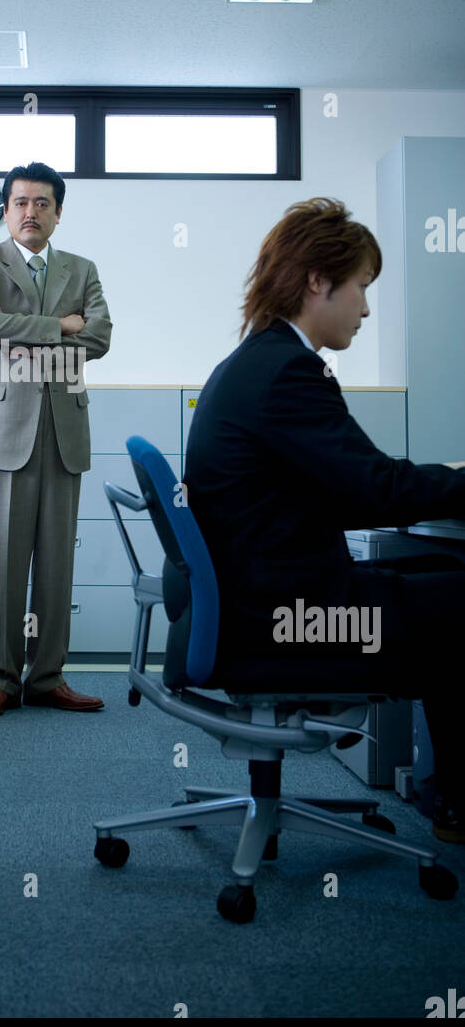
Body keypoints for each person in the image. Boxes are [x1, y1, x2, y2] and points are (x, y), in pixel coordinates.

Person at [183, 197, 465, 842]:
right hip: (293, 619)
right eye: (362, 287)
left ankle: (444, 790)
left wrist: (426, 482)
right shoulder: (289, 370)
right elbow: (377, 488)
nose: (366, 308)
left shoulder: (258, 360)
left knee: (442, 573)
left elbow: (352, 490)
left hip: (261, 601)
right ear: (319, 281)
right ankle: (453, 799)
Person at [0, 162, 112, 717]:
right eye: (21, 202)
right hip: (2, 431)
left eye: (42, 203)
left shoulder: (82, 268)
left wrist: (28, 332)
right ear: (6, 209)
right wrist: (62, 326)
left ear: (58, 212)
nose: (31, 212)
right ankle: (1, 677)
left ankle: (47, 677)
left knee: (55, 564)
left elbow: (101, 336)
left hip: (64, 430)